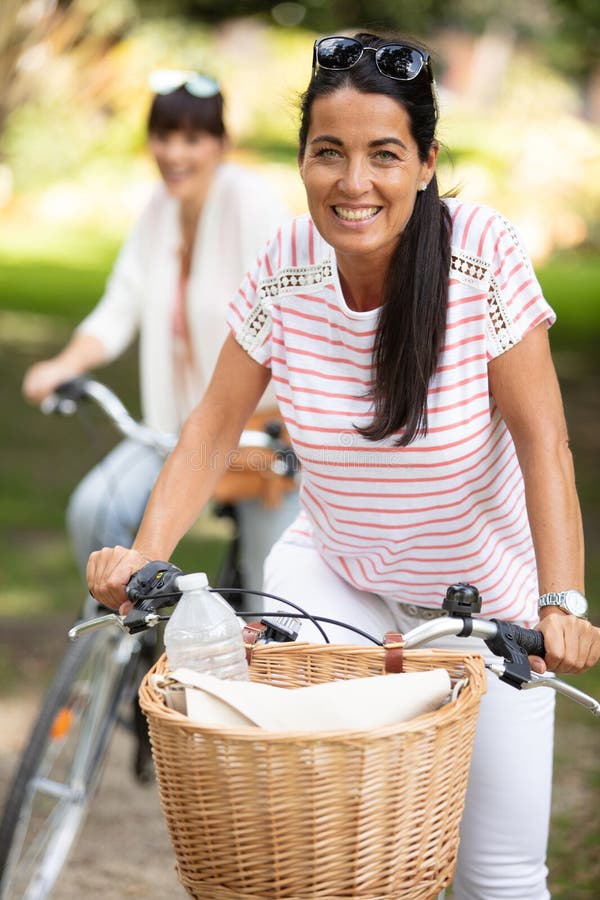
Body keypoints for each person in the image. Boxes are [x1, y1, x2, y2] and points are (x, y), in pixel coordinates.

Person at [86, 34, 600, 899]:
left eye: (384, 155)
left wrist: (561, 603)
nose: (353, 182)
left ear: (428, 162)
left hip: (486, 601)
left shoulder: (481, 255)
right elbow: (212, 428)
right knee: (319, 855)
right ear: (301, 162)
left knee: (498, 879)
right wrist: (142, 553)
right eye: (329, 153)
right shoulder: (285, 266)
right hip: (337, 578)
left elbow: (544, 440)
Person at [22, 69, 298, 596]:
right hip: (170, 433)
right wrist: (65, 364)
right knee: (93, 511)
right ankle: (118, 649)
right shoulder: (158, 209)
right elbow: (121, 303)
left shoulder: (252, 203)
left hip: (257, 436)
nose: (174, 153)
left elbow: (290, 309)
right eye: (164, 136)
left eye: (192, 138)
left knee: (275, 597)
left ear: (221, 143)